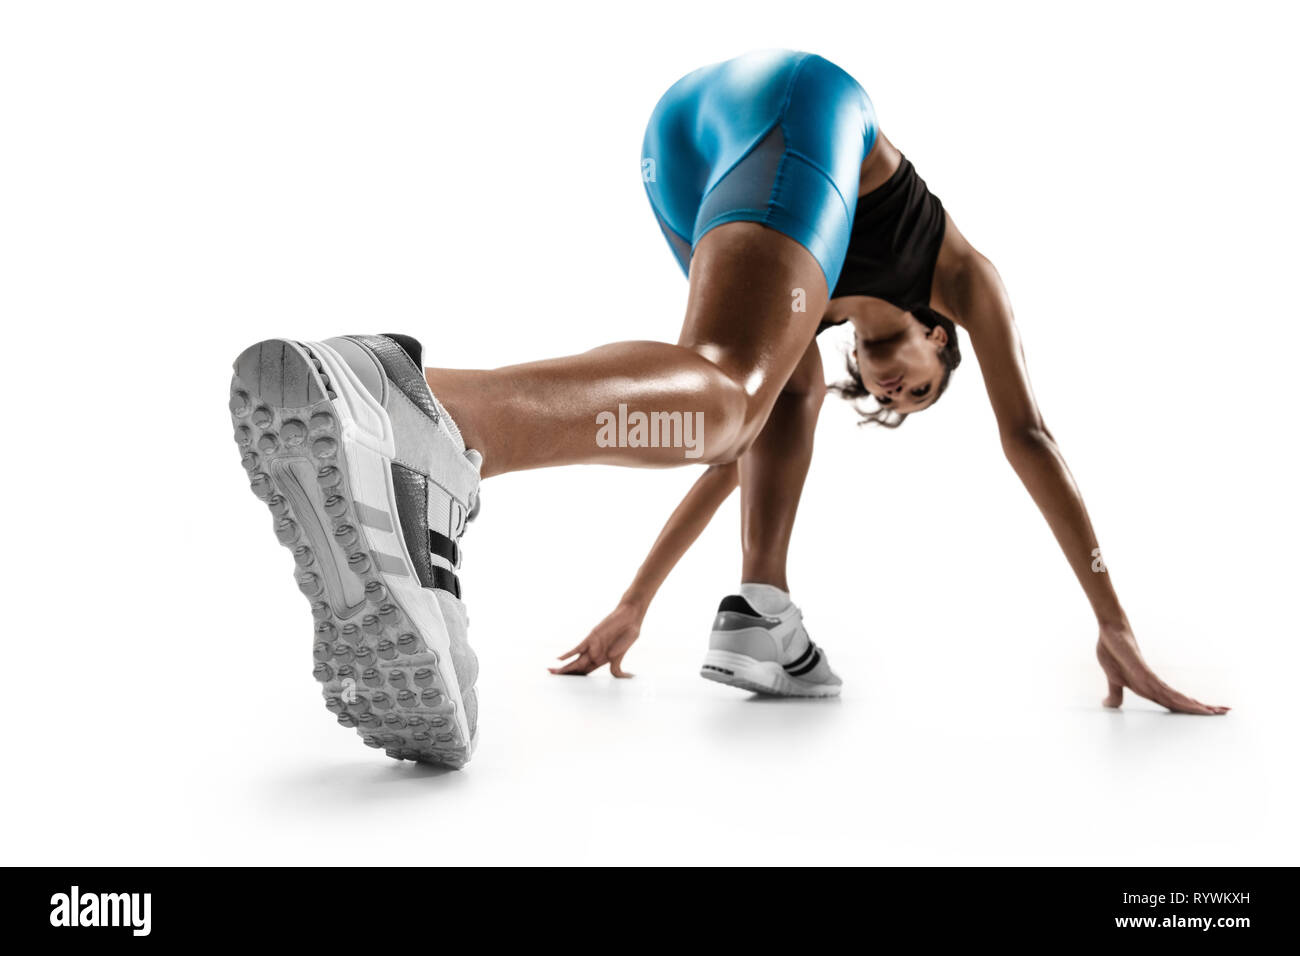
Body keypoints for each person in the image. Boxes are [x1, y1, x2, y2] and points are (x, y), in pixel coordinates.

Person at [229, 50, 1227, 768]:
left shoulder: (811, 287)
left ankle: (758, 611)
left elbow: (721, 457)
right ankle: (427, 416)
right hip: (802, 103)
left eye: (902, 401)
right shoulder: (965, 276)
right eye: (920, 382)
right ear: (941, 335)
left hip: (686, 146)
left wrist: (634, 601)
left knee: (746, 403)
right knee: (736, 390)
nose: (897, 388)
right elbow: (1029, 438)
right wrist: (1113, 617)